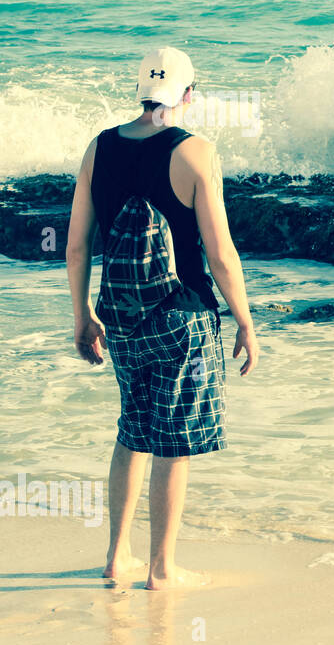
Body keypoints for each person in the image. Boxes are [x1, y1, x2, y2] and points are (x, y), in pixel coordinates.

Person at [65, 47, 260, 589]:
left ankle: (115, 557)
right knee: (173, 443)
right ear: (189, 96)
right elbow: (220, 254)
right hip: (184, 320)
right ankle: (162, 569)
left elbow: (77, 248)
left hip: (120, 319)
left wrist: (82, 316)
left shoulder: (98, 148)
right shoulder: (196, 152)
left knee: (132, 429)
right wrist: (244, 319)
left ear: (140, 91)